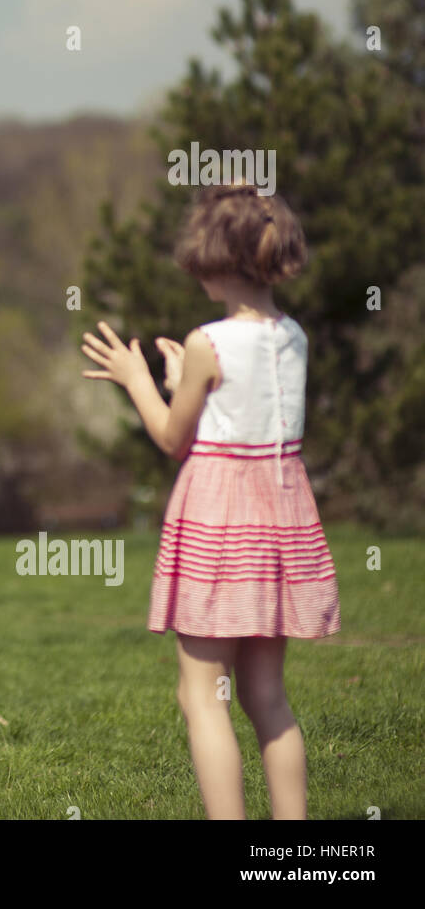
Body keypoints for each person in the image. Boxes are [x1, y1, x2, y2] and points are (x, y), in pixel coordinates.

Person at [80, 183, 339, 820]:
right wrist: (185, 381)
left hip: (219, 523)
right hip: (280, 515)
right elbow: (241, 409)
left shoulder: (207, 342)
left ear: (219, 260)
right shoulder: (294, 336)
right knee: (267, 696)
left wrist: (140, 379)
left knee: (203, 695)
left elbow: (174, 437)